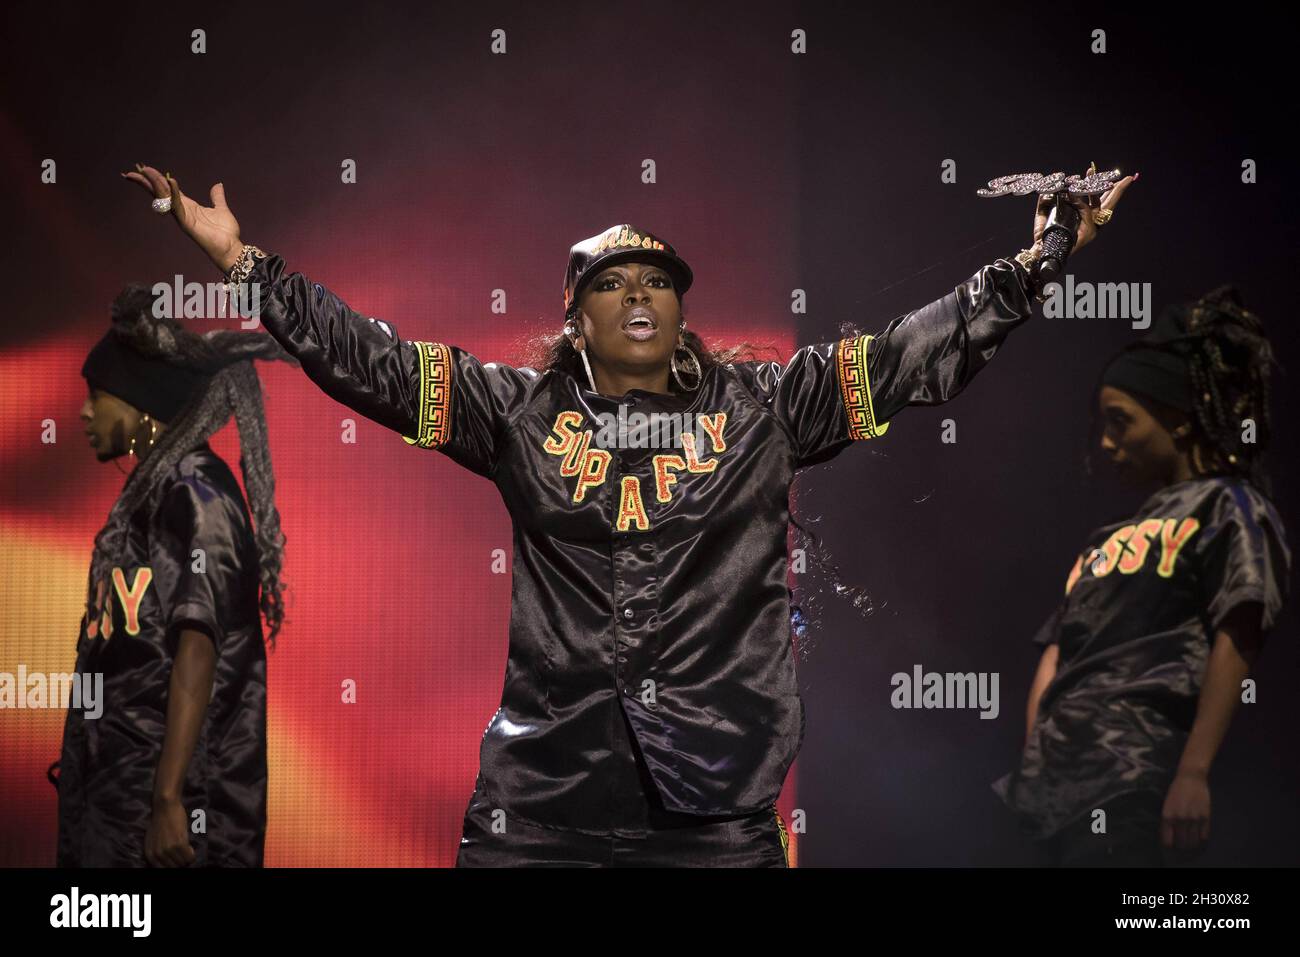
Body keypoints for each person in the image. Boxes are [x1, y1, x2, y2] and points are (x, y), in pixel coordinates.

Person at [122, 161, 1133, 867]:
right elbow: (372, 363)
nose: (640, 296)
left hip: (714, 820)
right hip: (538, 809)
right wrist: (249, 267)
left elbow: (916, 354)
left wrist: (1039, 260)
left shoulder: (767, 410)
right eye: (612, 284)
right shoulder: (510, 415)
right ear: (574, 315)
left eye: (658, 281)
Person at [993, 287, 1290, 867]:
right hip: (1048, 797)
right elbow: (1058, 651)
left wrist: (1195, 772)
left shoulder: (1227, 507)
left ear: (1177, 419)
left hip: (1132, 779)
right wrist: (1035, 762)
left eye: (1120, 422)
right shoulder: (1104, 539)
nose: (1106, 442)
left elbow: (1241, 628)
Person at [52, 283, 291, 867]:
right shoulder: (152, 495)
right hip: (120, 802)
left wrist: (166, 799)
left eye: (96, 393)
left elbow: (198, 647)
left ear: (139, 402)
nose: (85, 411)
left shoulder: (196, 494)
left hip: (175, 814)